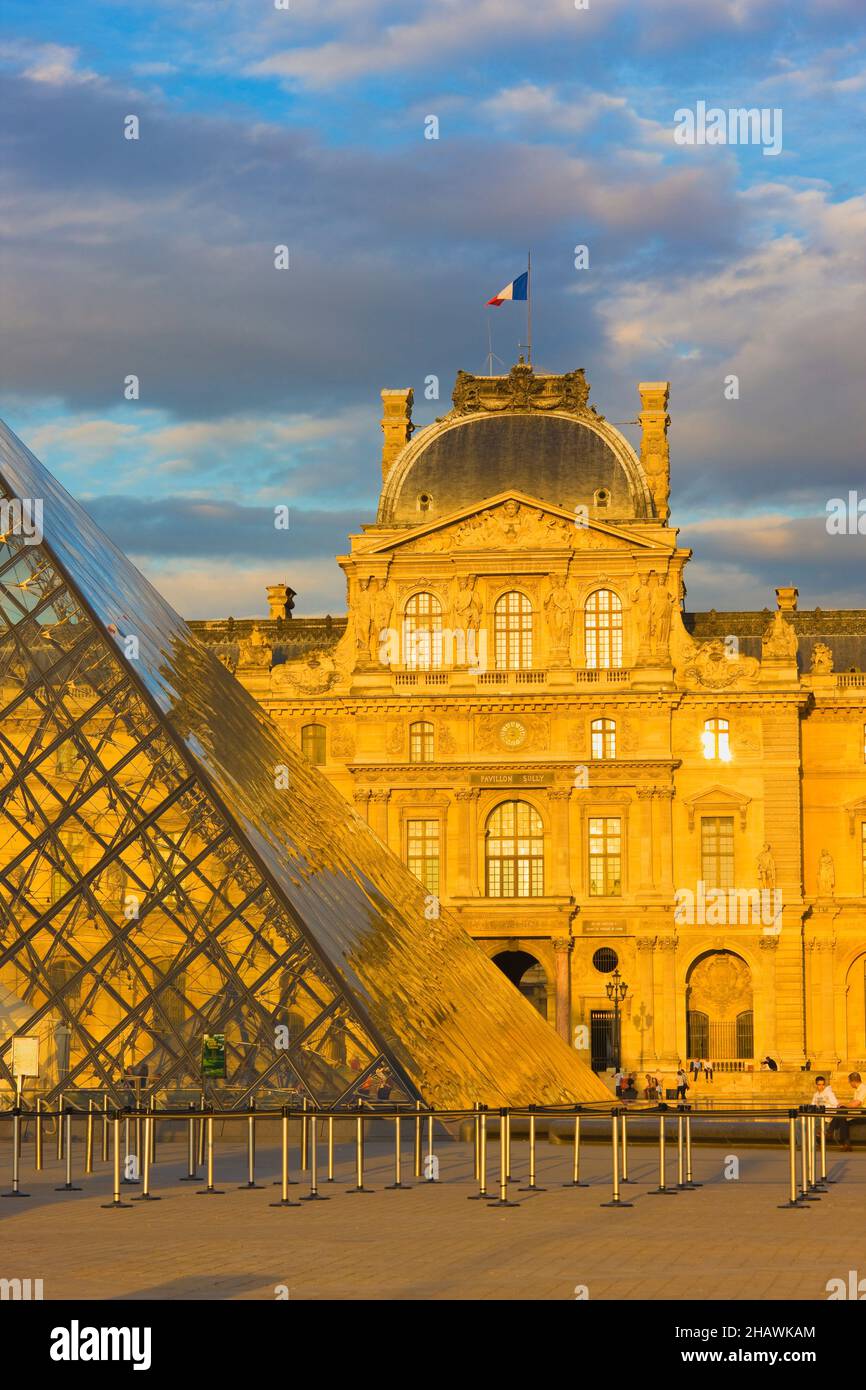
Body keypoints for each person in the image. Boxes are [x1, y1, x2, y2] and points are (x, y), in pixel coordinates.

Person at [828, 1072, 866, 1151]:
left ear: (853, 1081)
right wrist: (843, 1105)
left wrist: (843, 1105)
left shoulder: (863, 1089)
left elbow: (856, 1103)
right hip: (860, 1113)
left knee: (842, 1111)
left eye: (849, 1082)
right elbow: (853, 1103)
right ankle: (846, 1144)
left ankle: (830, 1131)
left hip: (864, 1114)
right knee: (842, 1117)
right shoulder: (858, 1090)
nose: (850, 1084)